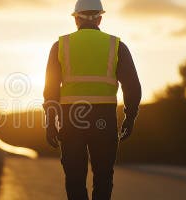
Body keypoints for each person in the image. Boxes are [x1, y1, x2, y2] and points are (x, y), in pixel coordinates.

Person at [42, 0, 142, 199]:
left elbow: (51, 89)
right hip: (104, 119)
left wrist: (50, 123)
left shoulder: (60, 46)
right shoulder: (117, 46)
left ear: (76, 19)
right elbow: (132, 86)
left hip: (72, 120)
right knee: (104, 178)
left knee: (74, 178)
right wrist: (130, 117)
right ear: (100, 18)